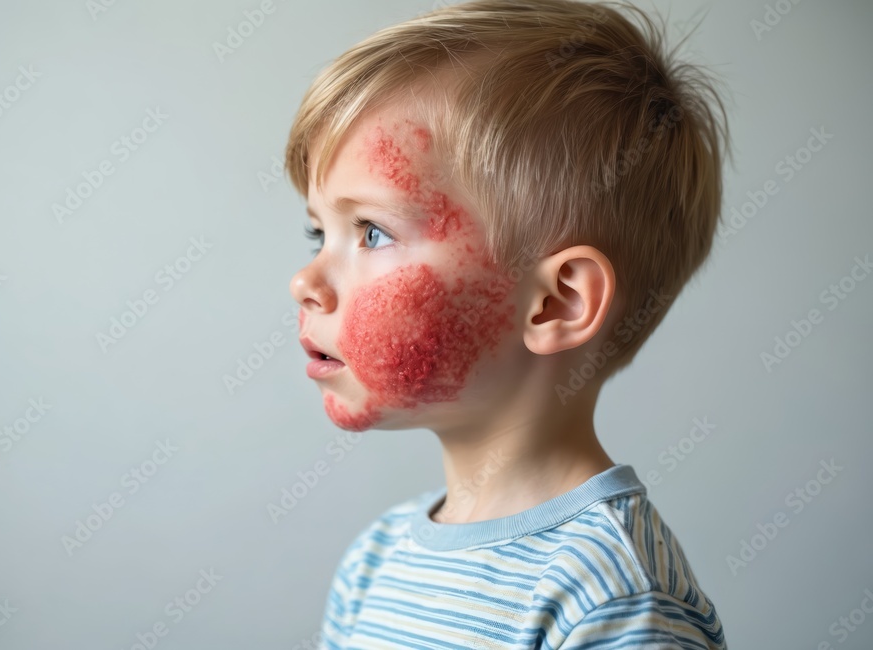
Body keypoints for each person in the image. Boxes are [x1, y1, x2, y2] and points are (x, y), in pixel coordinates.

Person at [284, 0, 730, 647]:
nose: (305, 282)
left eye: (372, 232)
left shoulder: (613, 597)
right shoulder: (375, 561)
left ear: (556, 303)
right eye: (316, 231)